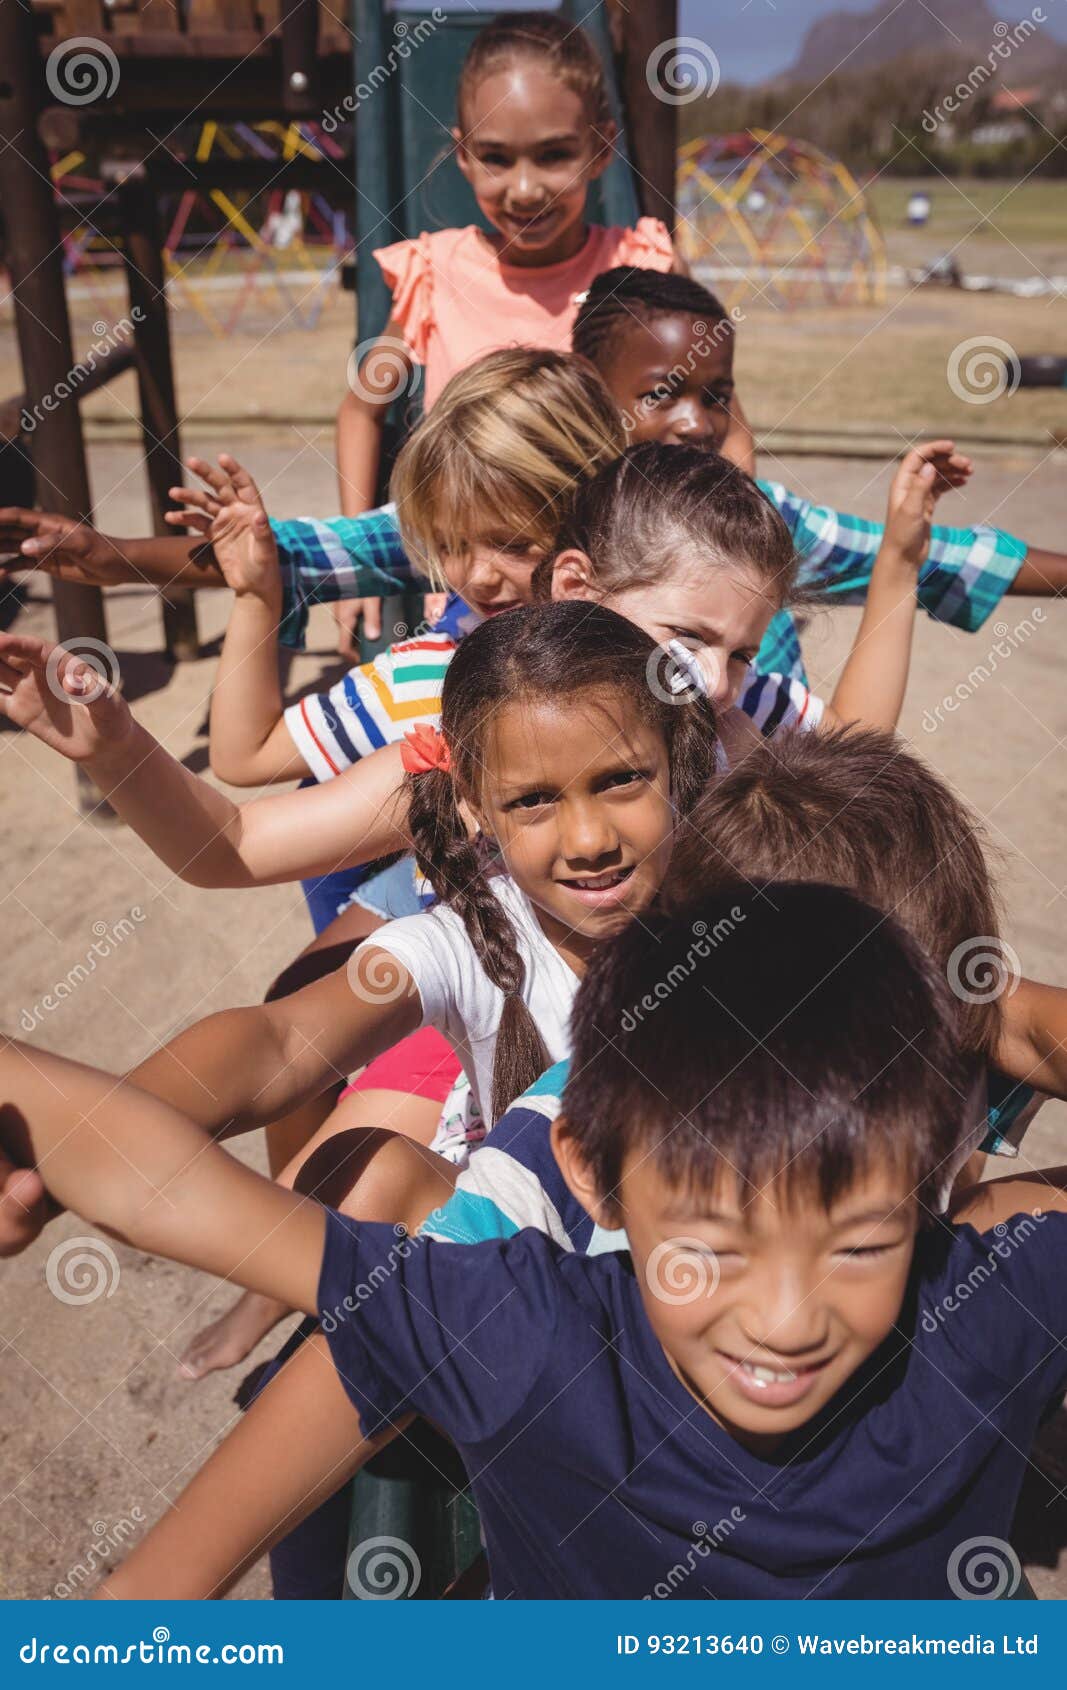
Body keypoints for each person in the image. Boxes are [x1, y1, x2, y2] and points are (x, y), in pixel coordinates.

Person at [5, 883, 1065, 1598]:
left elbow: (176, 1193)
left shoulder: (986, 1316)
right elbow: (173, 1190)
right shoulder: (524, 1333)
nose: (785, 1321)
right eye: (716, 1246)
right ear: (591, 1172)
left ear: (928, 1178)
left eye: (858, 1246)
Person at [332, 11, 680, 654]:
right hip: (479, 610)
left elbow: (718, 422)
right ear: (463, 154)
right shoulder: (432, 278)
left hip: (618, 604)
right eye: (496, 158)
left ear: (600, 149)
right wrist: (356, 570)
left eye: (553, 155)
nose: (525, 188)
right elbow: (361, 410)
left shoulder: (641, 271)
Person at [570, 265, 1067, 679]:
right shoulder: (558, 539)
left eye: (717, 398)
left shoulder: (758, 525)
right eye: (662, 394)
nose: (697, 424)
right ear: (587, 391)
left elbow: (944, 559)